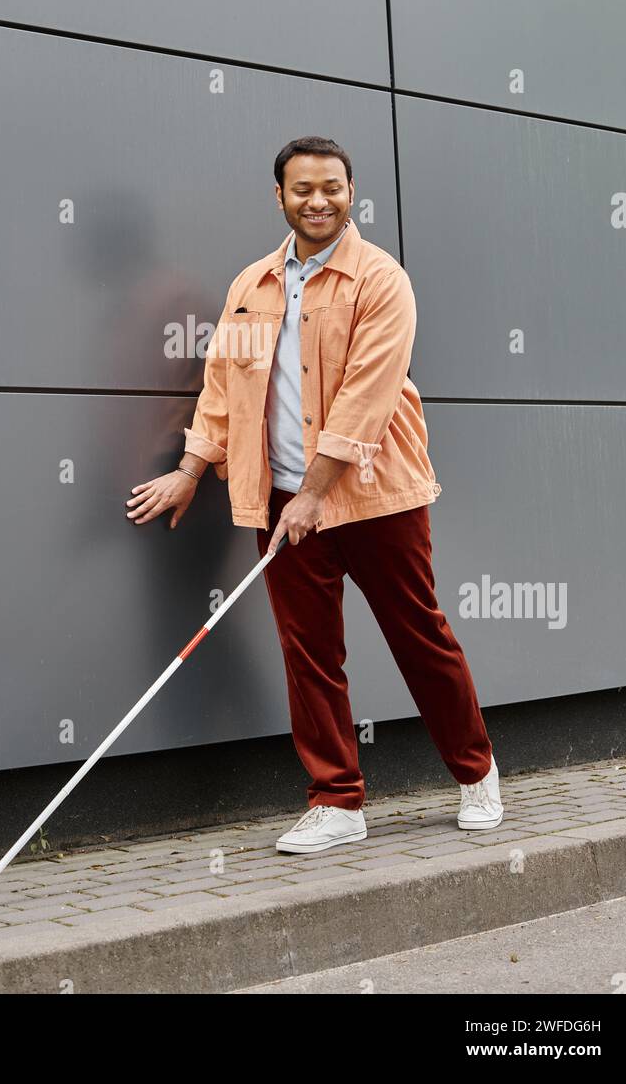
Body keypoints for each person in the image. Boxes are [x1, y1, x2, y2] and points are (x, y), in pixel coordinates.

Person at [125, 136, 503, 854]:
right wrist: (190, 468)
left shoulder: (380, 280)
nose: (318, 201)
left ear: (350, 190)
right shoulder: (251, 286)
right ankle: (337, 800)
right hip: (279, 499)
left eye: (331, 187)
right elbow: (221, 390)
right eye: (303, 189)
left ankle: (477, 773)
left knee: (418, 637)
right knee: (309, 653)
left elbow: (368, 396)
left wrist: (318, 492)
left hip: (374, 497)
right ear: (280, 197)